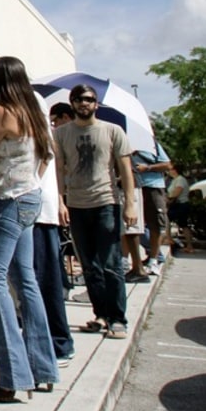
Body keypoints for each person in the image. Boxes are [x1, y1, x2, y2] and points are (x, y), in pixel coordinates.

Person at [0, 56, 59, 403]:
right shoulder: (33, 111)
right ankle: (43, 368)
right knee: (25, 280)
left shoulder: (0, 112)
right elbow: (48, 155)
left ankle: (12, 376)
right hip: (31, 196)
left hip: (6, 200)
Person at [53, 83, 136, 341]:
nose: (83, 103)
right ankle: (100, 314)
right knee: (89, 266)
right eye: (78, 99)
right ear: (72, 103)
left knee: (111, 264)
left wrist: (130, 203)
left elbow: (125, 169)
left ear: (96, 103)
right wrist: (60, 201)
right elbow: (58, 169)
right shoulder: (61, 133)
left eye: (88, 99)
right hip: (77, 205)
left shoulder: (112, 130)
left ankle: (117, 318)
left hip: (106, 202)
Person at [32, 93, 75, 369]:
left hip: (38, 214)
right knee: (35, 283)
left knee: (45, 282)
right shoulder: (41, 134)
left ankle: (59, 343)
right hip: (34, 211)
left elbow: (43, 165)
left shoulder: (39, 133)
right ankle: (49, 342)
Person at [131, 142, 172, 276]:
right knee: (133, 227)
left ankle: (154, 259)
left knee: (155, 224)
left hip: (153, 186)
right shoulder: (125, 143)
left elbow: (167, 164)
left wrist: (147, 167)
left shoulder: (152, 145)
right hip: (133, 187)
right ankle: (138, 261)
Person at [166, 166, 192, 252]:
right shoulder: (175, 180)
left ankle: (169, 239)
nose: (168, 172)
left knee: (167, 219)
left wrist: (168, 198)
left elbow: (177, 192)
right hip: (178, 204)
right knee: (183, 224)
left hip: (181, 204)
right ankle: (189, 246)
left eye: (170, 170)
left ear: (175, 170)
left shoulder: (180, 180)